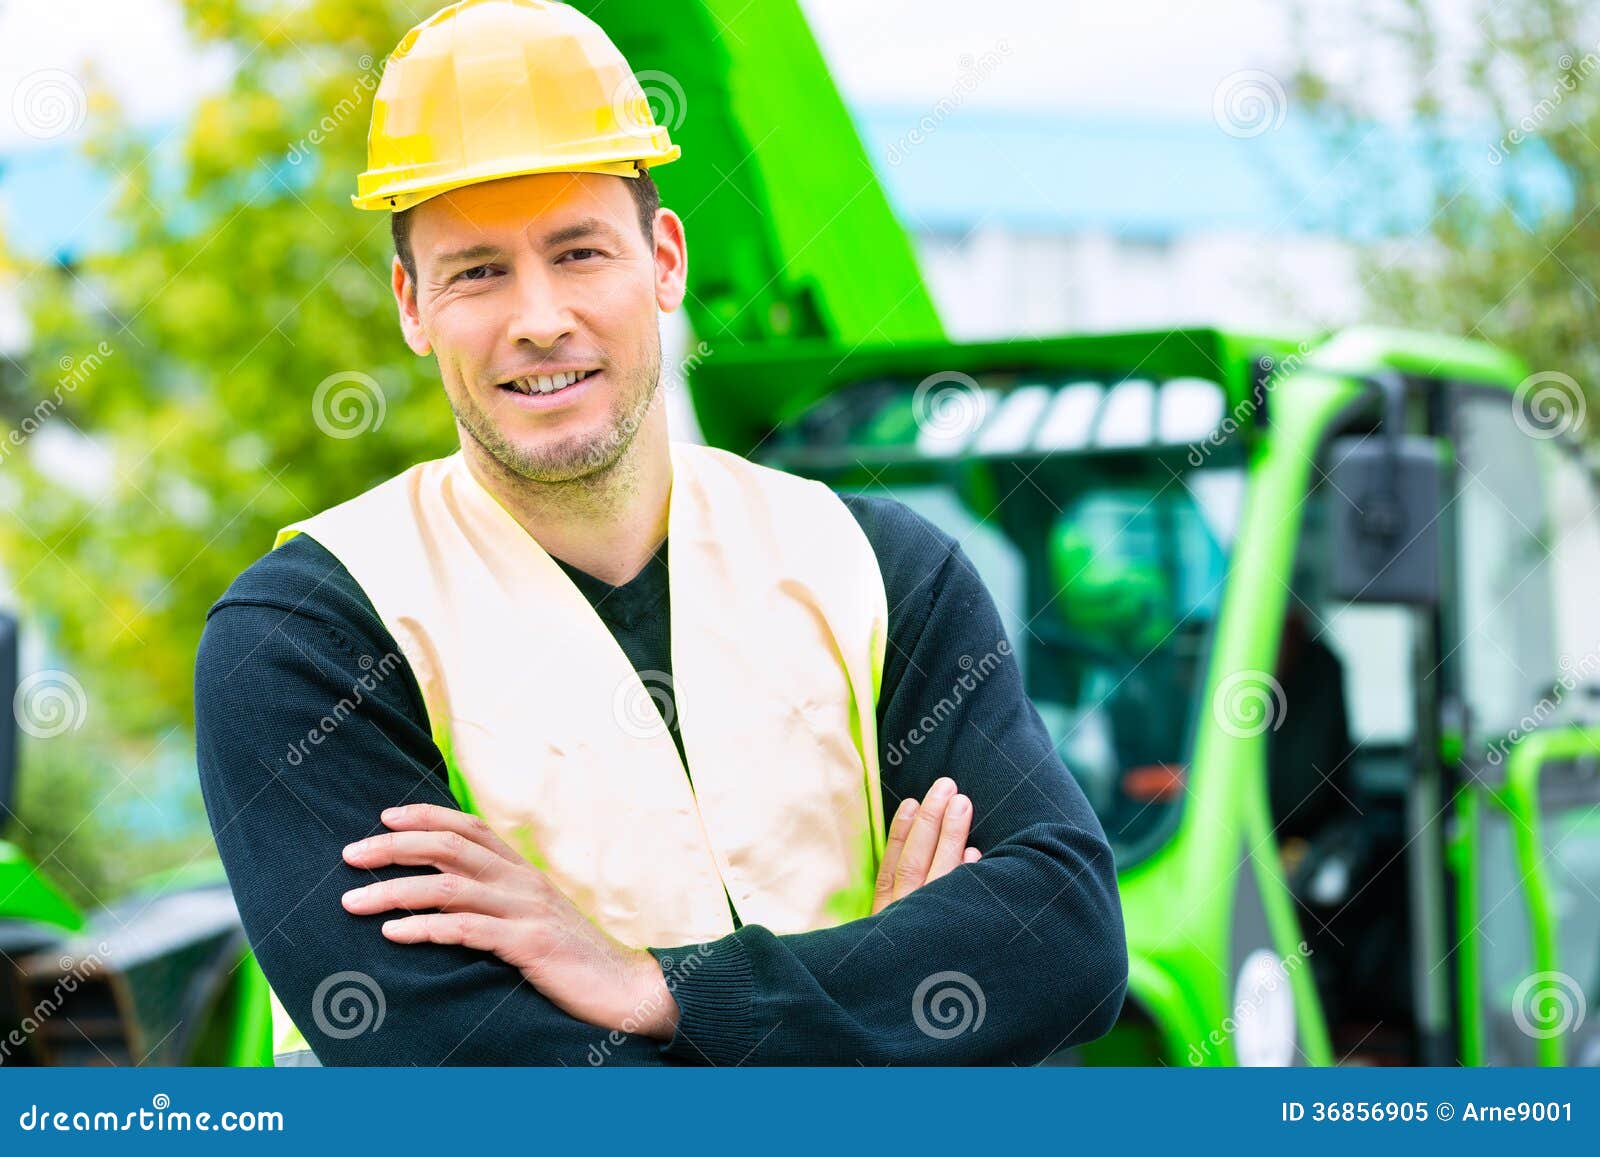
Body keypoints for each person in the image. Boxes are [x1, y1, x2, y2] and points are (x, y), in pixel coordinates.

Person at [194, 0, 1127, 1066]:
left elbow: (1065, 937)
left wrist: (654, 985)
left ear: (666, 259)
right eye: (478, 270)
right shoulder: (307, 636)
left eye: (580, 251)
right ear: (412, 303)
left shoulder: (876, 567)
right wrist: (875, 993)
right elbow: (462, 1068)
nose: (539, 317)